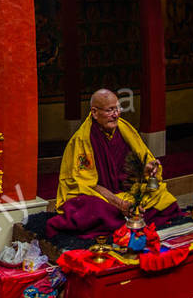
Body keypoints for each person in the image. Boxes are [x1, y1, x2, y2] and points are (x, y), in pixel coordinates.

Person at [49, 89, 179, 237]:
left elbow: (138, 164)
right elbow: (86, 184)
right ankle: (125, 218)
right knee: (93, 209)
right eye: (110, 110)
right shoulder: (82, 140)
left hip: (126, 191)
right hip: (101, 195)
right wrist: (117, 203)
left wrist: (147, 169)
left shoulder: (125, 130)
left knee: (162, 195)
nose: (116, 114)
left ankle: (125, 218)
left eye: (117, 109)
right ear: (94, 112)